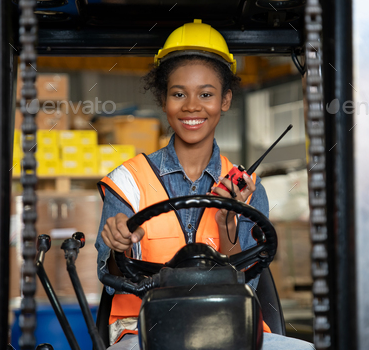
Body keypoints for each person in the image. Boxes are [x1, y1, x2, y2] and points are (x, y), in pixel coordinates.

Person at [95, 19, 313, 350]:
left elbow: (247, 282)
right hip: (144, 331)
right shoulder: (128, 181)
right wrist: (119, 244)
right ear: (164, 100)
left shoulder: (247, 189)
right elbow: (113, 277)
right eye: (178, 94)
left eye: (206, 94)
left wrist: (229, 222)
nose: (192, 106)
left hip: (229, 326)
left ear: (225, 100)